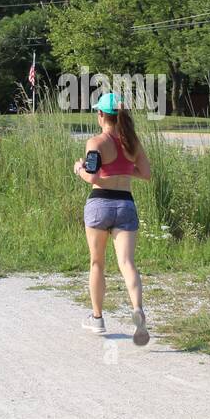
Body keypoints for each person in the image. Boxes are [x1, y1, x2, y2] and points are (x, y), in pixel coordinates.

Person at [72, 92, 151, 345]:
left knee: (97, 263)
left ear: (101, 115)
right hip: (125, 203)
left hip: (100, 204)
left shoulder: (95, 143)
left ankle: (97, 318)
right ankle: (137, 308)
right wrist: (125, 170)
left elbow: (93, 177)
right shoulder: (132, 143)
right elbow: (146, 173)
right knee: (127, 262)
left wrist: (79, 169)